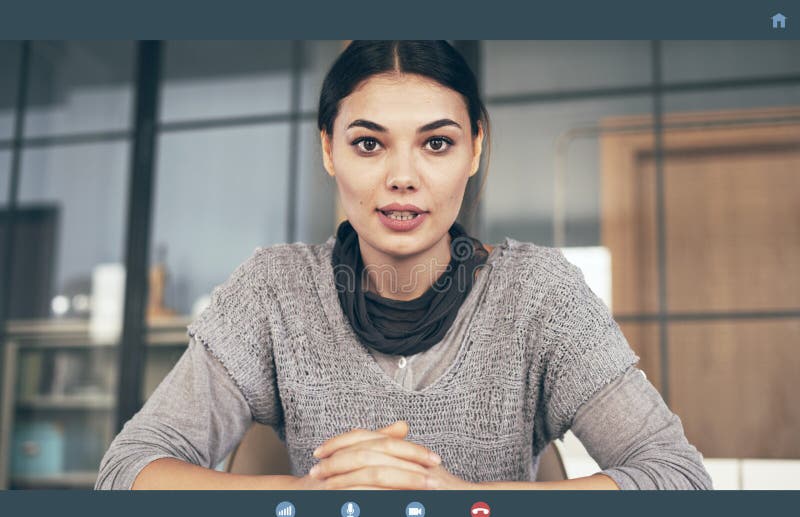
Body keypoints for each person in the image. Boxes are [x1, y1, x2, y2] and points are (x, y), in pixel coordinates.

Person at [95, 41, 712, 491]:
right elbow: (128, 471)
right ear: (328, 150)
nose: (402, 178)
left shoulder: (539, 293)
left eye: (436, 143)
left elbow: (677, 479)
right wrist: (309, 498)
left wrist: (466, 504)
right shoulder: (273, 288)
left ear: (476, 149)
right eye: (369, 143)